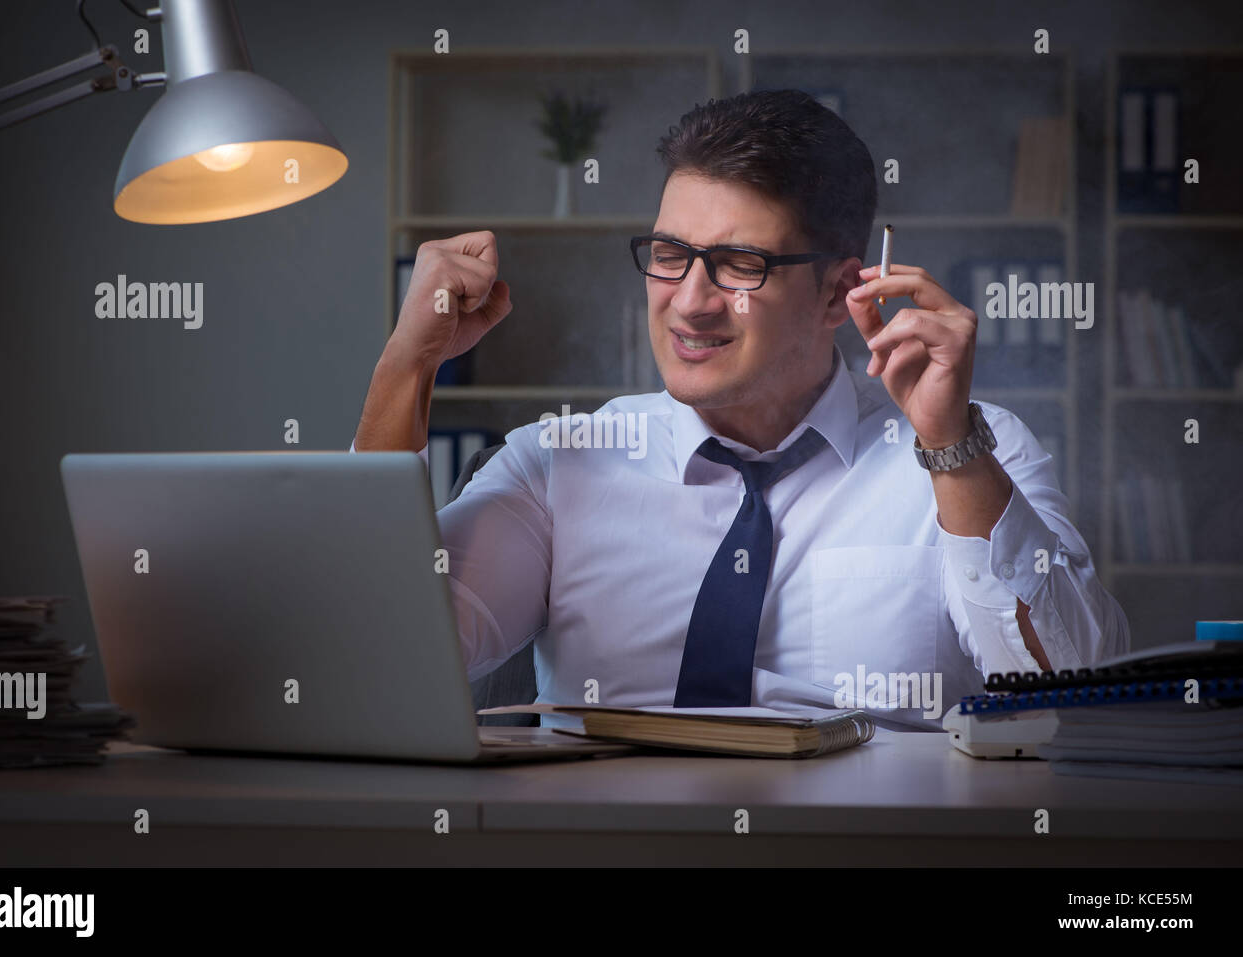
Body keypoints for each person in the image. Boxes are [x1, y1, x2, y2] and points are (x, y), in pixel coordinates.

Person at [352, 89, 1129, 730]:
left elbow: (1073, 692)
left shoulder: (970, 450)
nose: (690, 302)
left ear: (838, 292)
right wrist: (404, 368)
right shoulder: (559, 463)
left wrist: (951, 447)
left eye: (739, 266)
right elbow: (380, 661)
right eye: (669, 254)